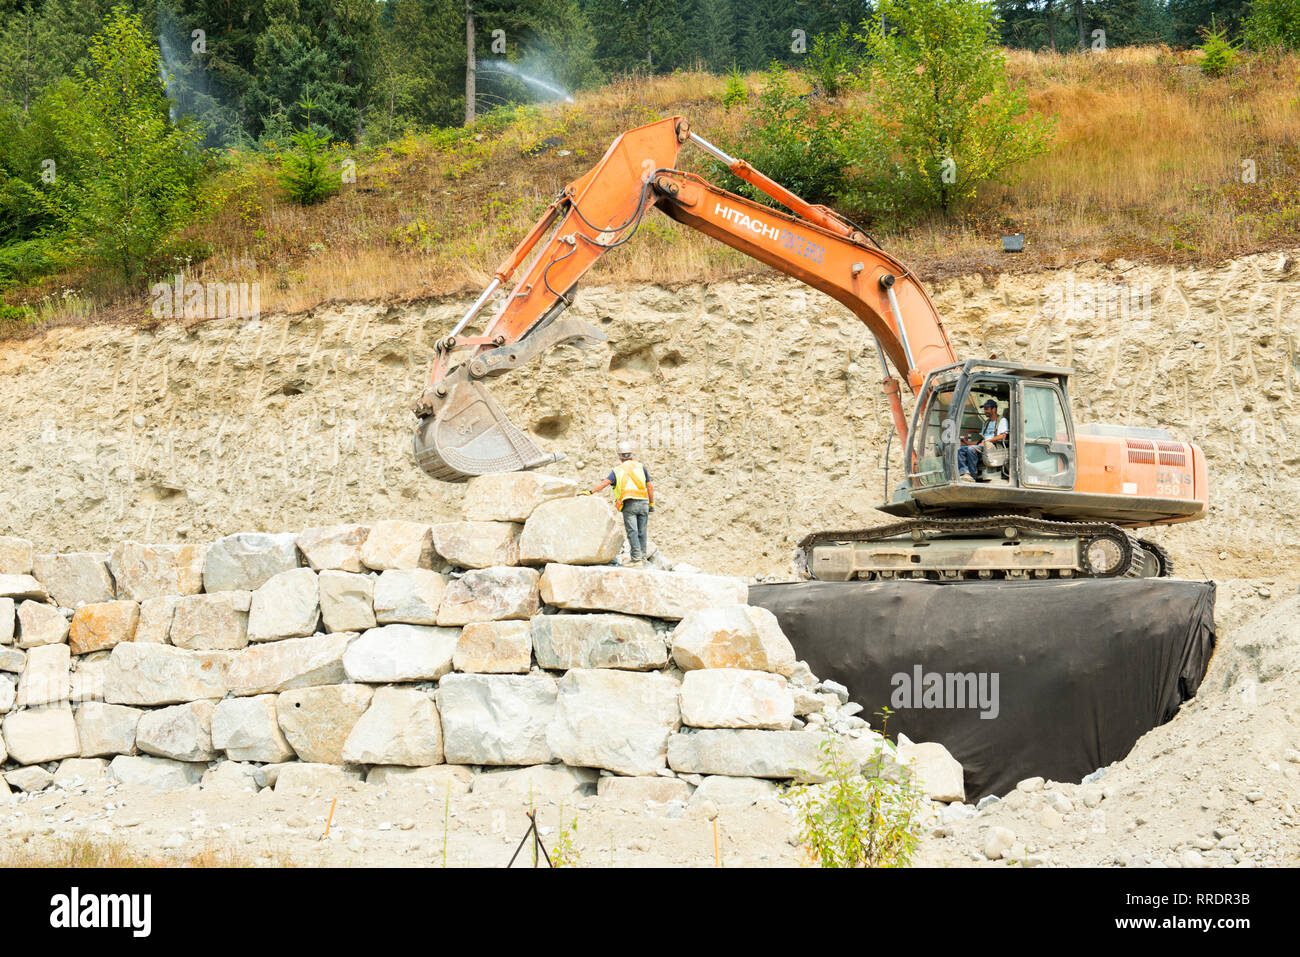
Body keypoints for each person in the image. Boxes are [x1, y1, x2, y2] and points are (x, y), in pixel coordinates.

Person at [587, 440, 655, 566]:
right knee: (642, 531)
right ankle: (643, 558)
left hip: (629, 504)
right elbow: (650, 487)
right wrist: (651, 504)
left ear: (619, 456)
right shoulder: (640, 467)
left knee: (632, 531)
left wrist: (590, 491)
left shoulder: (617, 470)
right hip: (643, 503)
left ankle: (636, 559)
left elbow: (605, 483)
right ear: (631, 454)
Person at [958, 399, 1008, 482]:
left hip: (993, 447)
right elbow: (981, 440)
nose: (985, 411)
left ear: (994, 409)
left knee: (971, 449)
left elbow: (1003, 436)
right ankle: (964, 473)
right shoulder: (986, 423)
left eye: (987, 409)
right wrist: (967, 443)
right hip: (983, 445)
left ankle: (972, 475)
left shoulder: (1002, 420)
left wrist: (986, 442)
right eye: (984, 409)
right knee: (961, 449)